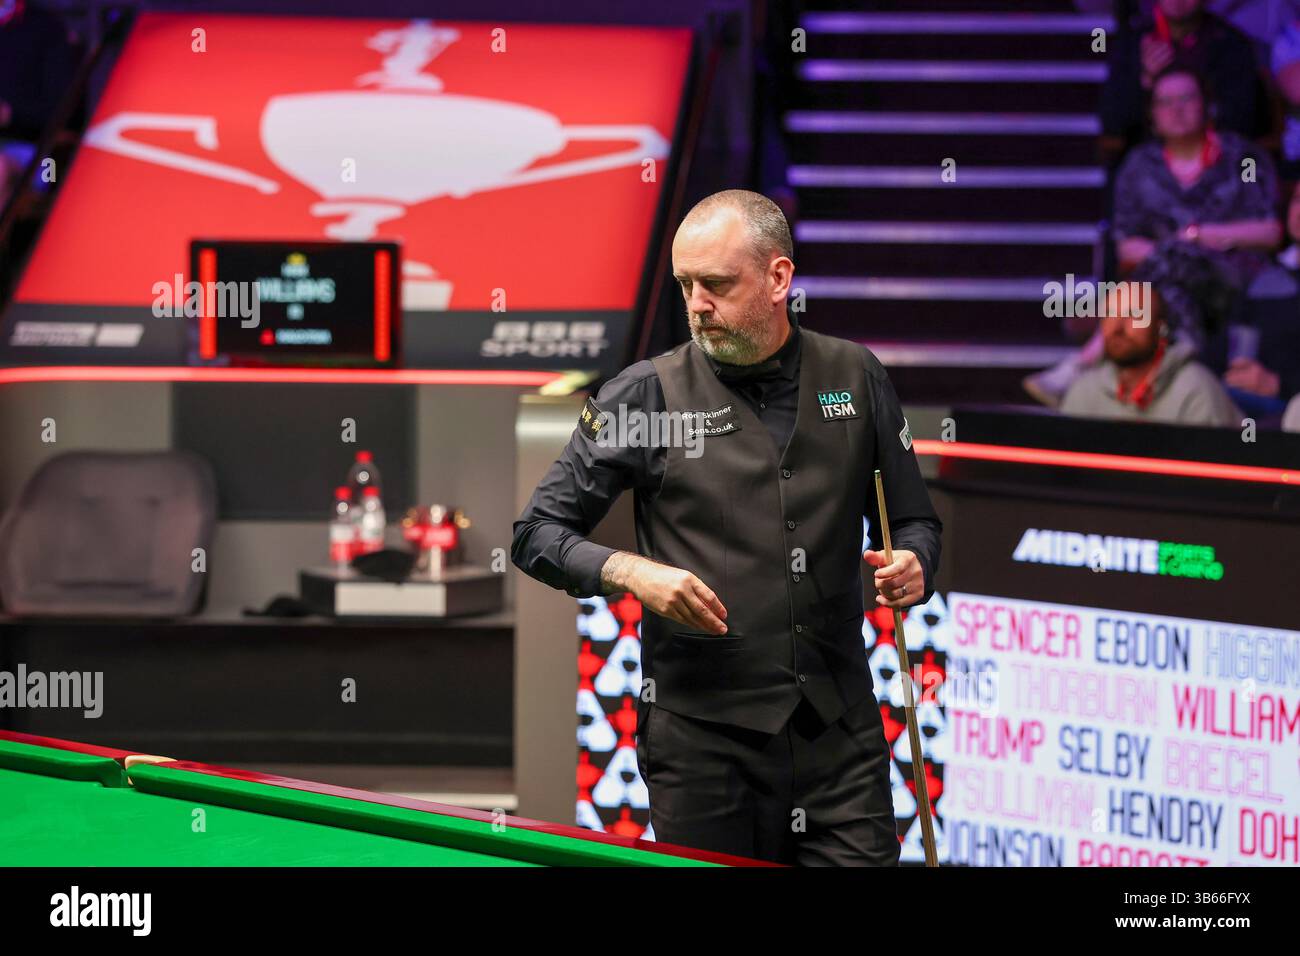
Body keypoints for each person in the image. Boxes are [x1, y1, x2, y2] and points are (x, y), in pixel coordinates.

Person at [512, 189, 942, 866]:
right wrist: (629, 570)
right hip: (702, 749)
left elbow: (916, 520)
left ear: (779, 278)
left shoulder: (855, 377)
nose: (697, 305)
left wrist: (915, 559)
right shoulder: (643, 395)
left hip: (840, 735)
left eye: (715, 284)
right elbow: (535, 532)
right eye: (685, 285)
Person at [1026, 65, 1280, 406]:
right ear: (1153, 115)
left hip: (1233, 281)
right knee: (1172, 287)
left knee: (1169, 270)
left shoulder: (1243, 157)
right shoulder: (1139, 165)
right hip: (1164, 287)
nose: (1177, 109)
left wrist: (1202, 236)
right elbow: (1127, 243)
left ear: (1207, 105)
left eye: (1187, 98)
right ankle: (1177, 384)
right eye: (1166, 102)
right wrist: (1178, 249)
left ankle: (1087, 359)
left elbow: (1270, 231)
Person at [1060, 278, 1242, 427]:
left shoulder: (1197, 391)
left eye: (1134, 315)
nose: (1118, 327)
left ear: (1161, 327)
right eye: (1110, 314)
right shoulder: (1084, 390)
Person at [1100, 0, 1262, 151]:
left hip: (1216, 159)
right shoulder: (1131, 44)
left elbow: (1243, 122)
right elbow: (1113, 123)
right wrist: (1145, 81)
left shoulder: (1231, 44)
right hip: (1148, 161)